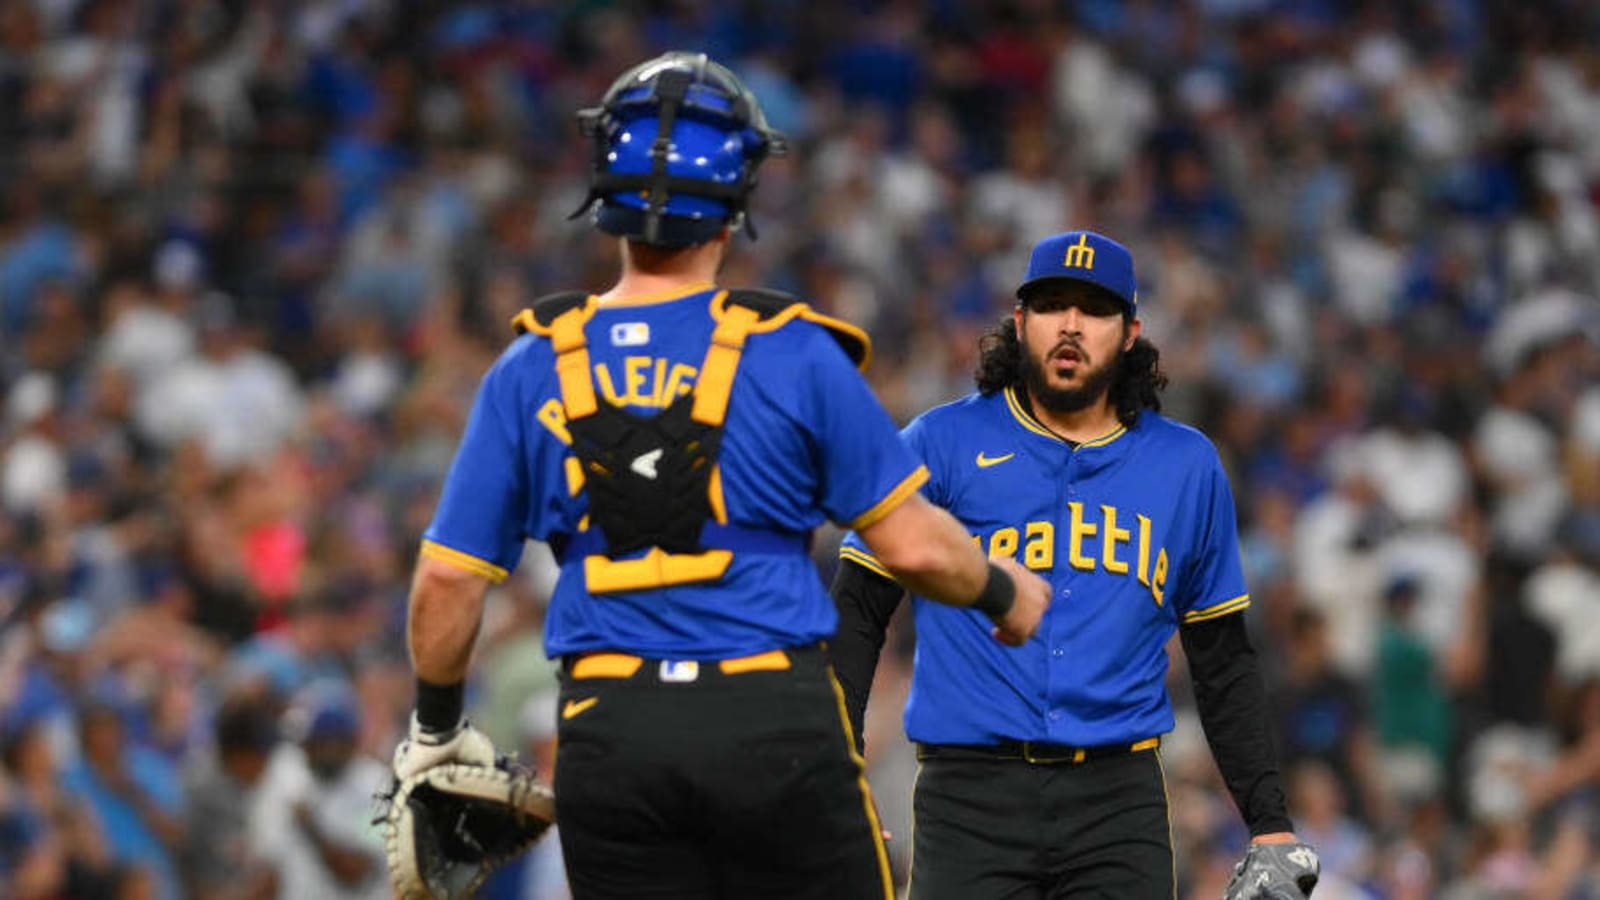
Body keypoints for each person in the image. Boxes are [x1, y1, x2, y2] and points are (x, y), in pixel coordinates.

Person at [388, 52, 1051, 900]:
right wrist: (1003, 592)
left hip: (609, 729)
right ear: (737, 206)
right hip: (771, 715)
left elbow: (446, 581)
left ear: (605, 197)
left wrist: (437, 733)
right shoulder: (795, 351)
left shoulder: (529, 367)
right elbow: (914, 546)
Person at [830, 230, 1319, 899]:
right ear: (1020, 321)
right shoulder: (941, 442)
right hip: (969, 795)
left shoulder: (1185, 464)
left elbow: (1222, 656)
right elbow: (855, 614)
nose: (1070, 324)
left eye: (1093, 309)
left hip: (1118, 803)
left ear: (1129, 332)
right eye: (1053, 304)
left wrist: (1269, 825)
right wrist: (839, 783)